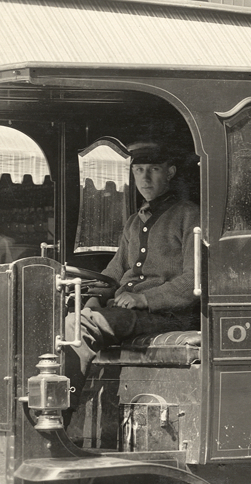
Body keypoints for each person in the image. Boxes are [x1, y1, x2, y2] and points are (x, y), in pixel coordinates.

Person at [63, 142, 199, 384]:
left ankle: (60, 409)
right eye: (139, 170)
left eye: (154, 169)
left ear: (170, 173)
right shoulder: (134, 223)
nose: (145, 178)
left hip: (167, 316)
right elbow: (113, 274)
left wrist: (145, 299)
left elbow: (194, 279)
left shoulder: (189, 215)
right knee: (65, 317)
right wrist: (95, 297)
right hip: (129, 313)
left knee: (77, 325)